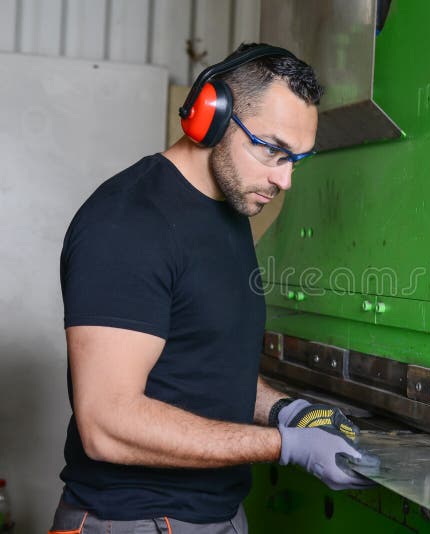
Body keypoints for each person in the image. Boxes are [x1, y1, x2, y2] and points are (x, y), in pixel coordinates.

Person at [49, 43, 376, 534]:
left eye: (297, 159)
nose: (284, 179)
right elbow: (107, 424)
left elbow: (201, 371)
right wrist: (285, 447)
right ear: (211, 116)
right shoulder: (128, 223)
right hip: (133, 521)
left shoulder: (230, 210)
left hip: (216, 516)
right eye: (272, 150)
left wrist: (286, 411)